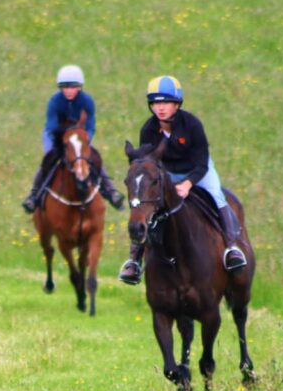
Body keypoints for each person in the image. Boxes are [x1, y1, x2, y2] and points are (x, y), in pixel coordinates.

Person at [118, 76, 248, 285]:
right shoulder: (148, 129)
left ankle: (232, 247)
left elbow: (202, 162)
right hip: (167, 173)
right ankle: (134, 260)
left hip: (198, 170)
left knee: (217, 195)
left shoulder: (192, 125)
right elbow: (148, 163)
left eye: (166, 102)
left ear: (177, 104)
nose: (160, 108)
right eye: (156, 103)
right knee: (146, 205)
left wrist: (188, 184)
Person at [21, 64, 124, 213]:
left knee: (95, 159)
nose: (68, 91)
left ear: (80, 87)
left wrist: (84, 145)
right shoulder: (54, 102)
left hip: (80, 139)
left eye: (72, 87)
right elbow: (51, 128)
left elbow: (90, 127)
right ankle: (34, 195)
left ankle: (111, 191)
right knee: (48, 161)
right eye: (64, 87)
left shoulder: (87, 102)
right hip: (58, 138)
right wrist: (52, 149)